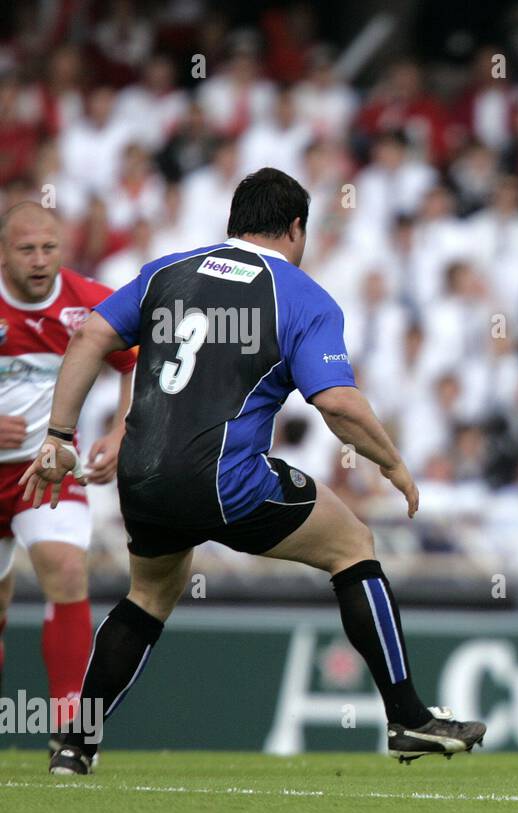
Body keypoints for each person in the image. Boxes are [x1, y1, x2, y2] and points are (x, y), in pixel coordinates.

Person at [23, 167, 484, 775]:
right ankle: (407, 717)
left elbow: (89, 340)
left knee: (150, 594)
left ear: (234, 222)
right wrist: (393, 463)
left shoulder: (167, 271)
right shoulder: (299, 294)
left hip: (142, 476)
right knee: (352, 544)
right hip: (226, 479)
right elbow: (337, 403)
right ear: (296, 228)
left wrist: (59, 435)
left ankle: (76, 746)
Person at [0, 203, 134, 749]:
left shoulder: (90, 302)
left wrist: (122, 432)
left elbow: (138, 361)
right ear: (4, 253)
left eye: (48, 248)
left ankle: (67, 731)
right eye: (26, 249)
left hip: (48, 470)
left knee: (65, 571)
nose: (39, 260)